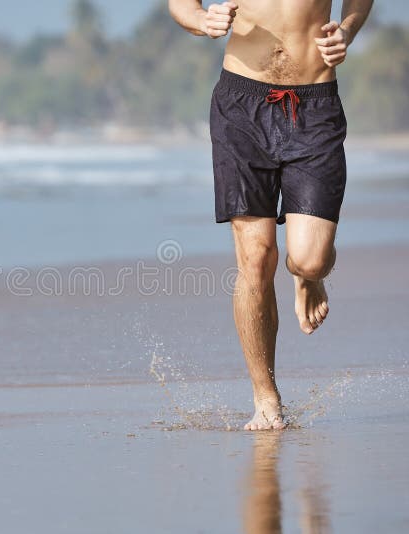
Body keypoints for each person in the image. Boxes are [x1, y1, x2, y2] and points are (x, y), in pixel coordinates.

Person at [168, 0, 373, 430]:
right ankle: (266, 397)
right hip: (240, 106)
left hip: (314, 106)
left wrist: (349, 29)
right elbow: (180, 5)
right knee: (256, 258)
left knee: (310, 257)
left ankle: (308, 275)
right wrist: (202, 20)